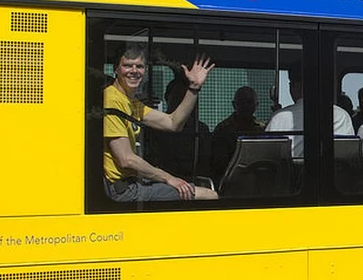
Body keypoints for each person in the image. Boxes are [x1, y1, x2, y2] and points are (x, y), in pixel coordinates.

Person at [103, 45, 218, 201]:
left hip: (132, 182)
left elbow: (173, 123)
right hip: (122, 190)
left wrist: (194, 87)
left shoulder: (131, 103)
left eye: (140, 66)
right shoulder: (112, 99)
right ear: (116, 69)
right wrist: (168, 178)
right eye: (127, 66)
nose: (134, 71)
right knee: (208, 195)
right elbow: (126, 159)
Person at [265, 63, 355, 156]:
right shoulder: (341, 116)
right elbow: (348, 156)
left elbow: (268, 157)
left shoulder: (278, 118)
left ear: (293, 86)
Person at [149, 75, 213, 182]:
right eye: (178, 96)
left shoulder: (201, 130)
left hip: (195, 180)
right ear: (167, 97)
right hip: (163, 181)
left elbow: (206, 163)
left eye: (186, 97)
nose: (183, 102)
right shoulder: (155, 127)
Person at [210, 86, 264, 181]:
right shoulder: (223, 129)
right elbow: (219, 164)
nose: (245, 106)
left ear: (256, 105)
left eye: (249, 102)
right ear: (234, 105)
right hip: (230, 179)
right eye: (242, 102)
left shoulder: (262, 128)